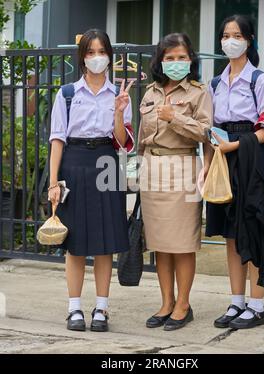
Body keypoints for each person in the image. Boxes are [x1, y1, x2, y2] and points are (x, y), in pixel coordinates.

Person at [48, 29, 134, 332]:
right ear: (82, 57)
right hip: (73, 163)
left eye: (101, 52)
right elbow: (57, 139)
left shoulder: (119, 94)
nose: (97, 58)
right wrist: (54, 182)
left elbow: (122, 142)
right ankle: (74, 309)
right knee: (74, 243)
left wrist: (119, 113)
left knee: (104, 243)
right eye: (90, 52)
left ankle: (101, 308)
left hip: (106, 163)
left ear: (109, 56)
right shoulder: (68, 94)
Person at [204, 15, 264, 330]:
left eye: (236, 35)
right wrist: (207, 165)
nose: (229, 40)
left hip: (251, 160)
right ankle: (237, 301)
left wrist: (239, 145)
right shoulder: (215, 83)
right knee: (231, 235)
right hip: (223, 162)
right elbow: (209, 128)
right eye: (225, 35)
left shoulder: (258, 80)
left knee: (254, 229)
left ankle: (258, 305)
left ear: (249, 40)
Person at [138, 33, 212, 331]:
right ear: (161, 61)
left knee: (182, 243)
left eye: (182, 57)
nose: (176, 63)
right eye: (170, 58)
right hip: (152, 170)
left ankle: (183, 304)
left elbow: (207, 132)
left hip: (183, 167)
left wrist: (174, 117)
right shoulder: (150, 91)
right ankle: (166, 302)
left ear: (190, 60)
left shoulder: (198, 92)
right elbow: (142, 136)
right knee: (160, 244)